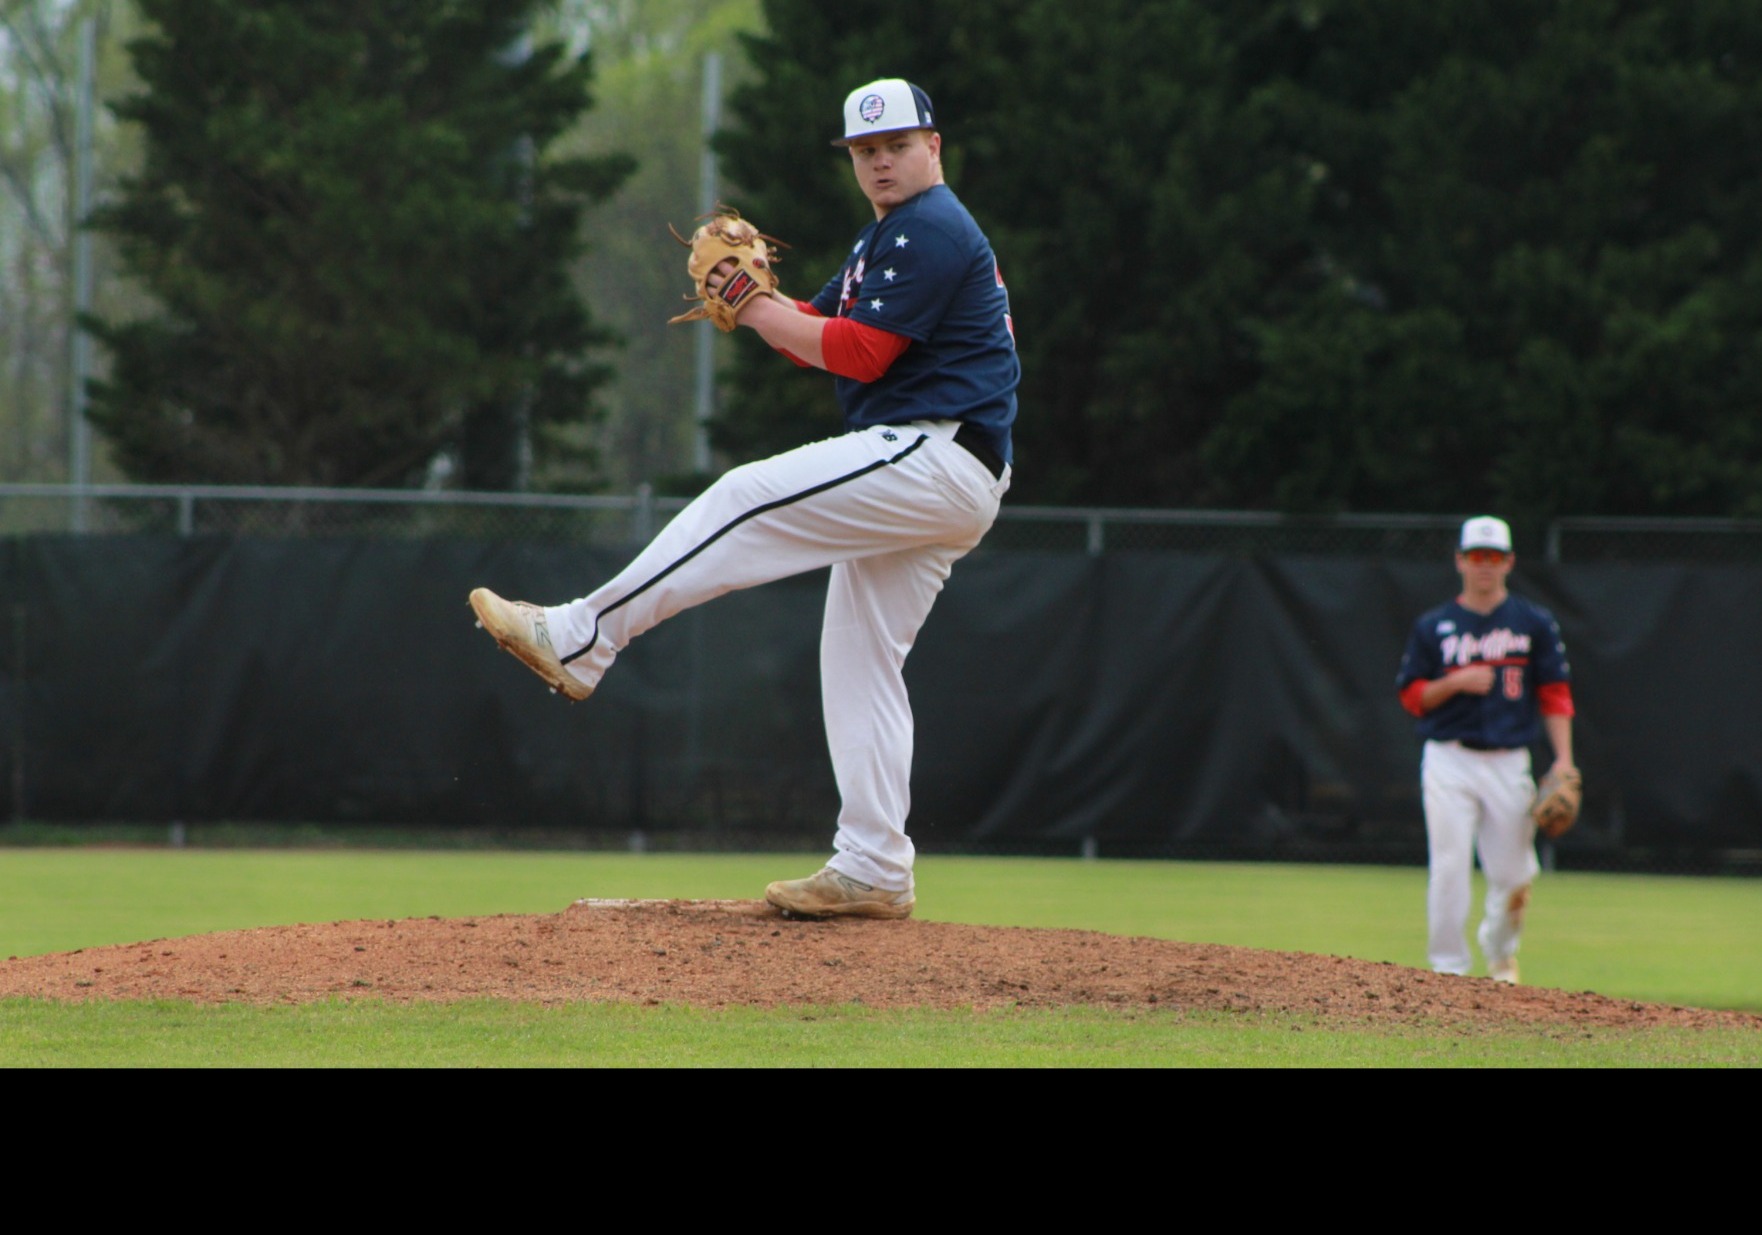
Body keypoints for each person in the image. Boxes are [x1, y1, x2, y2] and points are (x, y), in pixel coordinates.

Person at [468, 78, 1018, 920]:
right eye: (864, 151)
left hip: (934, 452)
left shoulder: (934, 228)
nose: (879, 161)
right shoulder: (886, 238)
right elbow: (814, 334)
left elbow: (859, 353)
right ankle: (874, 865)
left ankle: (582, 636)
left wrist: (754, 305)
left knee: (741, 495)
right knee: (860, 656)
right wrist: (760, 304)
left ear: (933, 147)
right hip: (943, 467)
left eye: (896, 145)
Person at [1394, 515, 1578, 984]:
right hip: (1448, 759)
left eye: (1494, 557)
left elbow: (1555, 693)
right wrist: (1454, 682)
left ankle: (1500, 957)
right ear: (1459, 560)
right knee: (1450, 867)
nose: (1484, 566)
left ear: (1509, 562)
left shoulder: (1533, 623)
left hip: (1508, 761)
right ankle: (1448, 969)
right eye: (1476, 556)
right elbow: (1411, 697)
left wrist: (1563, 759)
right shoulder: (1433, 626)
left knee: (1515, 874)